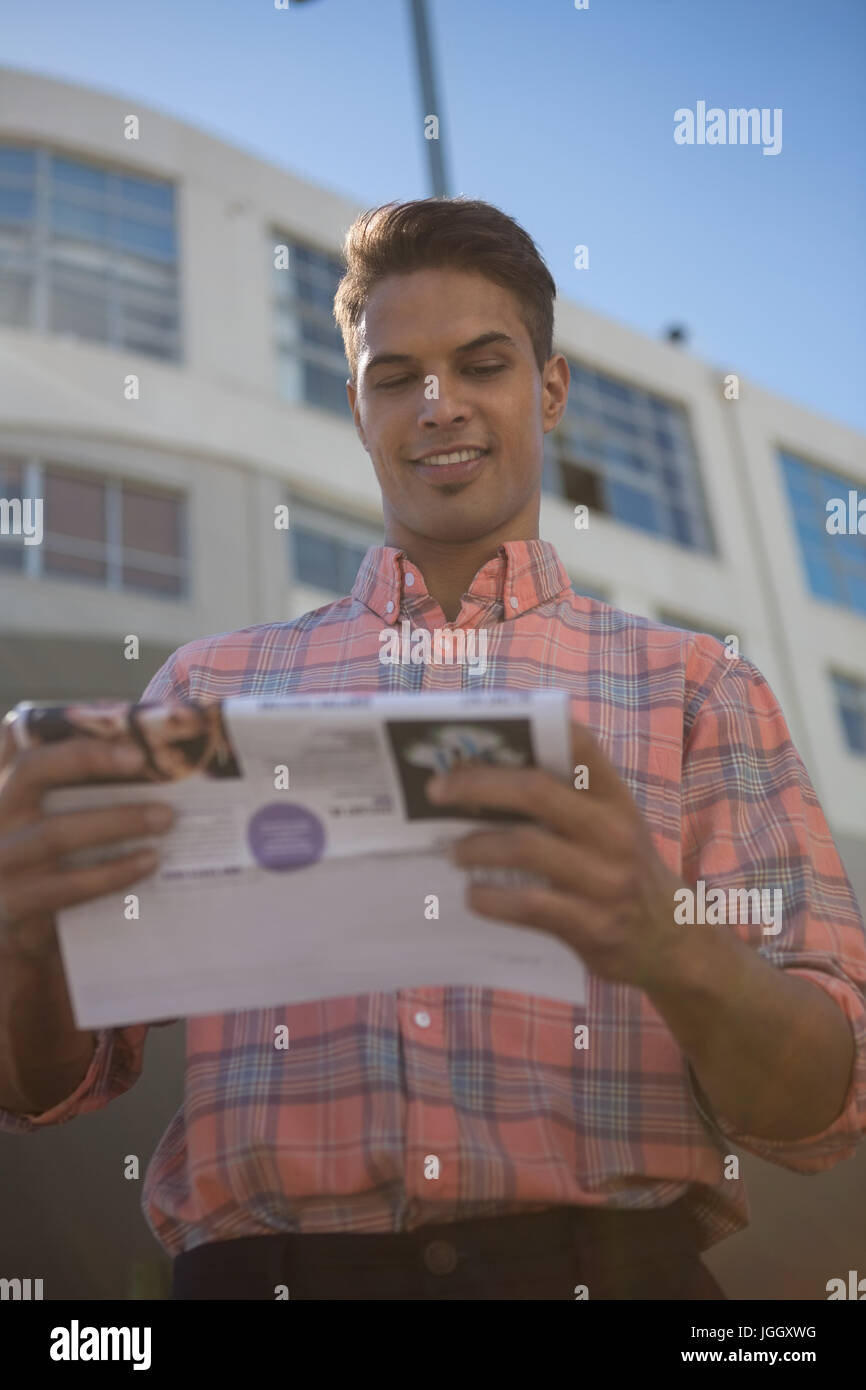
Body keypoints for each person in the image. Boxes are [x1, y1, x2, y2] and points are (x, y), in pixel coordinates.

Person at [0, 198, 864, 1302]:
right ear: (358, 411)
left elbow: (822, 1106)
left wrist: (669, 946)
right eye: (393, 375)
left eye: (481, 363)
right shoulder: (209, 691)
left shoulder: (696, 688)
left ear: (548, 390)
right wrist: (21, 935)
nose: (436, 404)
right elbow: (48, 1083)